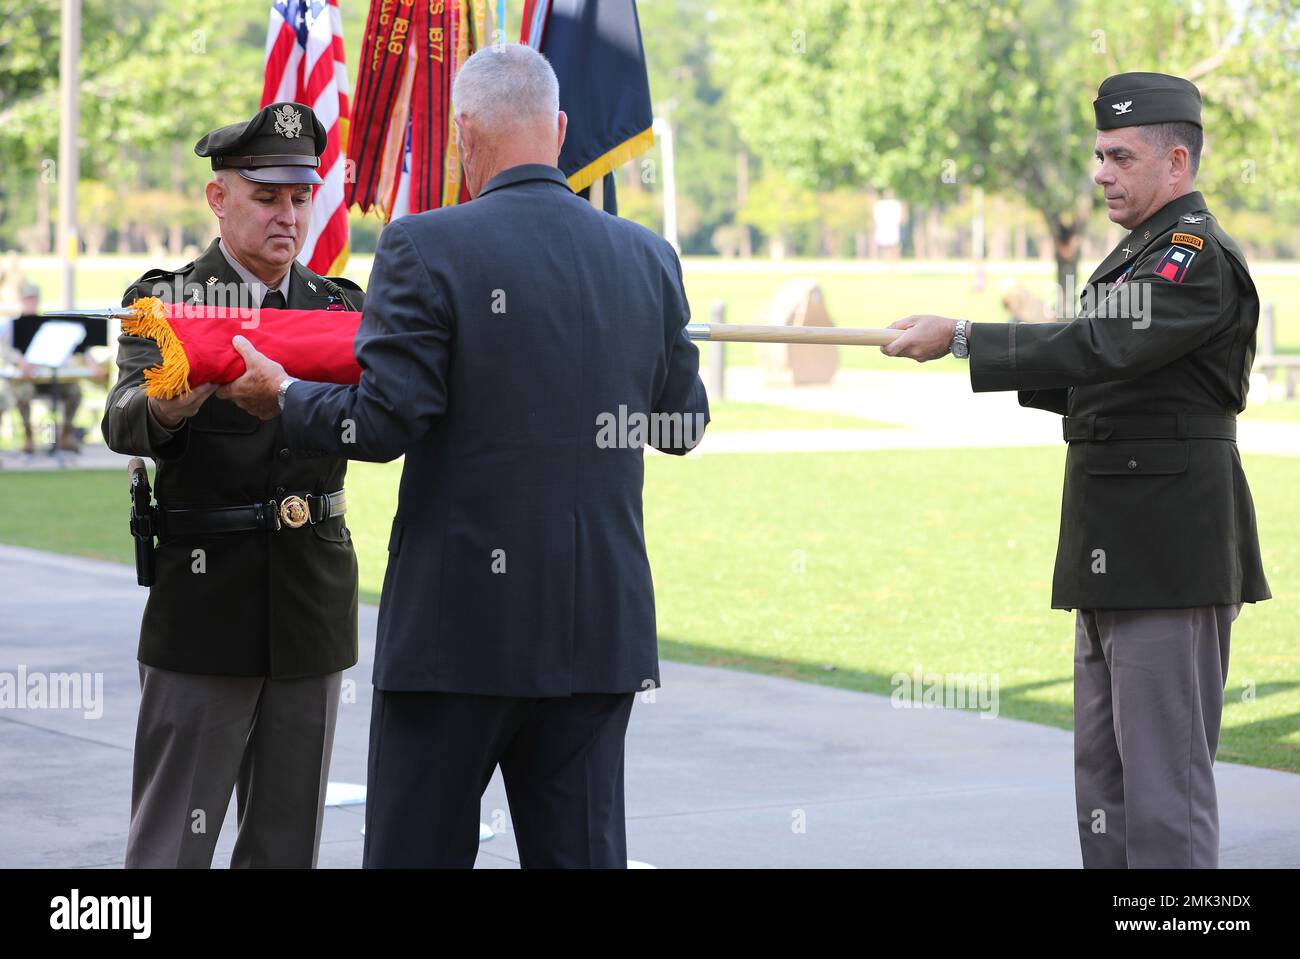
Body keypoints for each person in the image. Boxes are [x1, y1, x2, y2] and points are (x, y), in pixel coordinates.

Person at [221, 44, 709, 868]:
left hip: (457, 636)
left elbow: (381, 425)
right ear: (558, 129)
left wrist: (287, 398)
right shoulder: (648, 257)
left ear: (462, 134)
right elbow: (679, 427)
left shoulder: (426, 246)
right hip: (596, 627)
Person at [882, 72, 1269, 868]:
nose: (1100, 174)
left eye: (1119, 157)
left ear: (1177, 163)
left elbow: (1104, 346)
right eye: (1099, 155)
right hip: (1115, 552)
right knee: (1104, 786)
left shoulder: (1192, 257)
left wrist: (963, 337)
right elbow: (1098, 372)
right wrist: (962, 349)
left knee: (1166, 792)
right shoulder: (1141, 254)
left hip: (1169, 556)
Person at [101, 102, 365, 868]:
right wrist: (167, 405)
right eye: (267, 196)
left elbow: (379, 427)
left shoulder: (341, 310)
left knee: (286, 847)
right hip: (205, 599)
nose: (289, 214)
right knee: (170, 844)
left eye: (301, 197)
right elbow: (122, 419)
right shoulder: (167, 302)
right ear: (219, 198)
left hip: (311, 595)